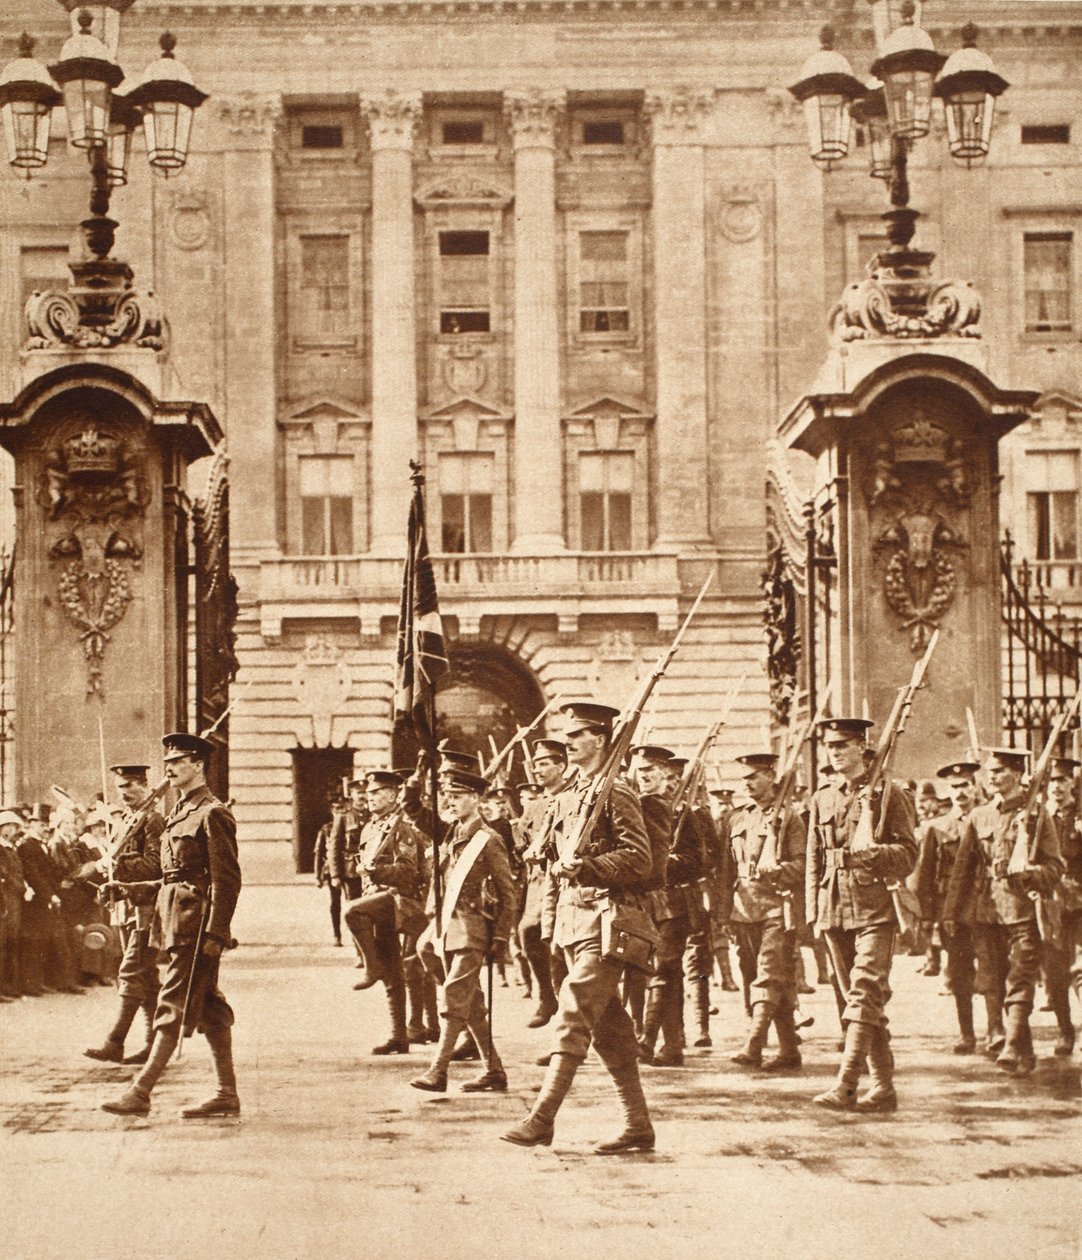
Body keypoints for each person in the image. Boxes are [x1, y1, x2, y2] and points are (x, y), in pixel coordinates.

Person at [502, 701, 654, 1154]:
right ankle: (638, 1125)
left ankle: (542, 1116)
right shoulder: (573, 793)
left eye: (578, 735)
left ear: (601, 740)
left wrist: (586, 867)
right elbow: (551, 849)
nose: (568, 742)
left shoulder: (617, 792)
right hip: (574, 923)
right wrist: (538, 851)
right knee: (609, 1029)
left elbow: (640, 858)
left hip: (609, 921)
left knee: (571, 1011)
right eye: (567, 735)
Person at [102, 733, 241, 1119]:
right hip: (176, 922)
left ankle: (141, 1091)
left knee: (173, 1002)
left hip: (197, 927)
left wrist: (217, 933)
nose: (170, 768)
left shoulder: (213, 812)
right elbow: (172, 877)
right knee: (210, 1008)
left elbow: (226, 880)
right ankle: (226, 1093)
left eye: (178, 761)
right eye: (168, 762)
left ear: (198, 765)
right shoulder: (181, 812)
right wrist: (128, 888)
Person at [806, 717, 917, 1112]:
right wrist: (813, 910)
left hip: (874, 908)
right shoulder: (823, 796)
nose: (835, 752)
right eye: (830, 747)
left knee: (865, 992)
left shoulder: (890, 794)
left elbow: (908, 854)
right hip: (834, 907)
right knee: (855, 1003)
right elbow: (814, 859)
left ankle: (847, 1083)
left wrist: (875, 854)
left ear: (862, 749)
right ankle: (884, 1088)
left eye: (842, 746)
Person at [944, 748, 1063, 1074]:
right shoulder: (980, 816)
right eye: (990, 771)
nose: (992, 776)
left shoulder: (1037, 815)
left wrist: (1029, 872)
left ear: (1017, 774)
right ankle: (1022, 1052)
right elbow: (962, 870)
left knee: (1020, 978)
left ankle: (1011, 1044)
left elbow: (1055, 867)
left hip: (1024, 909)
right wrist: (952, 912)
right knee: (993, 981)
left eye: (999, 771)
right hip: (987, 911)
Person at [411, 768, 516, 1093]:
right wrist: (417, 776)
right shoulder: (450, 833)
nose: (450, 802)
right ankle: (493, 1070)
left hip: (472, 928)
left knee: (455, 997)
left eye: (456, 797)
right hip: (443, 927)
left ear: (475, 799)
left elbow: (509, 893)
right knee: (467, 1000)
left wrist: (500, 937)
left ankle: (438, 1071)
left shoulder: (488, 839)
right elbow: (413, 810)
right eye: (447, 796)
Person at [719, 752, 806, 1073]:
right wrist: (723, 913)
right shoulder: (737, 818)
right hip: (744, 908)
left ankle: (754, 1043)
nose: (748, 783)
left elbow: (804, 863)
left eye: (754, 776)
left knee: (769, 973)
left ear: (771, 777)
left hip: (776, 907)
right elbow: (727, 870)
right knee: (768, 979)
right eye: (744, 778)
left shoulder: (789, 819)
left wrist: (778, 870)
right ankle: (789, 1051)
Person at [85, 764, 166, 1065]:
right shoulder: (126, 822)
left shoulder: (152, 820)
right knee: (146, 976)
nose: (126, 792)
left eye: (132, 785)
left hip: (145, 908)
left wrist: (116, 866)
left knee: (131, 972)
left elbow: (155, 865)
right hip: (125, 909)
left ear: (145, 785)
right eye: (121, 787)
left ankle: (115, 1042)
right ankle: (154, 1044)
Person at [344, 769, 423, 1055]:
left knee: (351, 912)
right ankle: (398, 1036)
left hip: (397, 901)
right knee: (393, 970)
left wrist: (376, 872)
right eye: (369, 792)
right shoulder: (371, 828)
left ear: (392, 795)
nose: (370, 796)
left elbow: (408, 872)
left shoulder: (402, 827)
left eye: (377, 792)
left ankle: (370, 966)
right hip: (375, 900)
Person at [915, 761, 981, 1054]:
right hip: (951, 911)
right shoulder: (937, 828)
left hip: (985, 906)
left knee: (995, 970)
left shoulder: (986, 820)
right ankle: (967, 1034)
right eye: (954, 787)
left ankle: (999, 1029)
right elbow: (925, 875)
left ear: (975, 787)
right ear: (947, 791)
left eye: (965, 785)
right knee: (960, 973)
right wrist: (928, 917)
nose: (960, 792)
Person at [1042, 757, 1078, 1056]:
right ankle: (1065, 1030)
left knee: (1079, 967)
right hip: (1052, 904)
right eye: (1052, 781)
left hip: (1080, 905)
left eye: (1062, 781)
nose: (1057, 787)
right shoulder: (1040, 818)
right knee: (1054, 972)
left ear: (1072, 785)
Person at [314, 794, 345, 947]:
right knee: (335, 903)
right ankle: (336, 935)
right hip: (331, 870)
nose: (339, 811)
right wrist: (317, 875)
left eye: (342, 808)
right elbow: (319, 853)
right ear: (331, 811)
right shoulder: (326, 829)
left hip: (350, 868)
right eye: (336, 809)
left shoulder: (350, 823)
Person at [0, 810, 25, 999]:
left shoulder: (10, 848)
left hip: (13, 899)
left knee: (11, 942)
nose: (11, 829)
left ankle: (8, 986)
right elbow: (5, 874)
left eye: (13, 827)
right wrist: (22, 888)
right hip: (4, 898)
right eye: (8, 826)